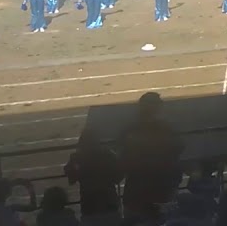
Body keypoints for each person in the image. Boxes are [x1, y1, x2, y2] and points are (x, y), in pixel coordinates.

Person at [118, 92, 184, 223]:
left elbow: (122, 159)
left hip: (136, 194)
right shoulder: (166, 129)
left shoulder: (130, 130)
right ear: (158, 108)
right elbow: (178, 149)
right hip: (161, 192)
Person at [64, 127, 122, 224]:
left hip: (89, 204)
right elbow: (118, 177)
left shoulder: (77, 157)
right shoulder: (108, 155)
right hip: (109, 201)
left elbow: (71, 179)